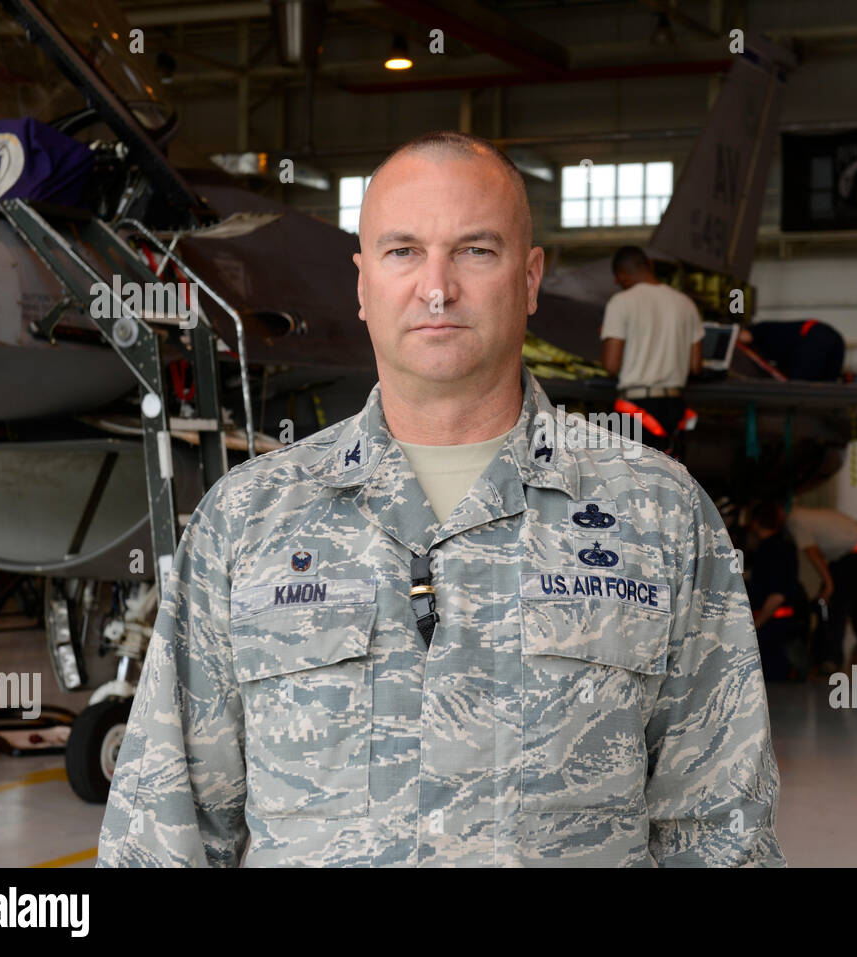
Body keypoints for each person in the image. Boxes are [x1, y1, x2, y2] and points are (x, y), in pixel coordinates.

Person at [96, 131, 783, 867]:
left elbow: (720, 833)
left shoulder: (660, 516)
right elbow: (165, 832)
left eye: (475, 250)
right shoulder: (245, 521)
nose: (436, 287)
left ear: (529, 278)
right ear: (361, 284)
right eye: (403, 251)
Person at [600, 246, 704, 453]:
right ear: (650, 266)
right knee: (674, 480)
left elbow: (611, 365)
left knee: (630, 481)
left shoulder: (621, 302)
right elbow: (696, 367)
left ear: (621, 275)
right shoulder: (686, 304)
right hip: (674, 408)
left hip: (635, 410)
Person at [785, 505, 857, 672]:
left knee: (836, 605)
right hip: (851, 548)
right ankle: (819, 654)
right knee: (826, 603)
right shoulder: (799, 514)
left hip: (854, 552)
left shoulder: (794, 522)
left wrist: (829, 585)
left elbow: (813, 553)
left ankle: (831, 659)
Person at [743, 501, 809, 682]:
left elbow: (777, 596)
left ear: (755, 522)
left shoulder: (769, 550)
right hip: (781, 624)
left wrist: (756, 625)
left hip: (773, 630)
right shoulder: (784, 545)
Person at [737, 319, 846, 382]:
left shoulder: (758, 329)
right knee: (827, 384)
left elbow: (743, 337)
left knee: (798, 386)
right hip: (835, 339)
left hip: (814, 334)